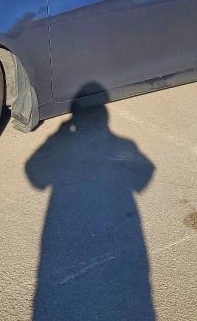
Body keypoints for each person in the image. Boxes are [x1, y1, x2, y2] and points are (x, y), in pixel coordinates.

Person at [25, 83, 155, 320]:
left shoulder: (118, 146)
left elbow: (35, 176)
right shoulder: (125, 146)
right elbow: (145, 175)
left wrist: (57, 136)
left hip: (63, 242)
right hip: (118, 239)